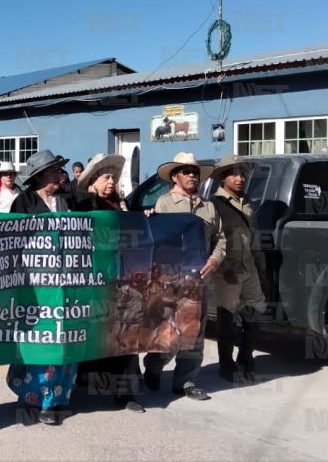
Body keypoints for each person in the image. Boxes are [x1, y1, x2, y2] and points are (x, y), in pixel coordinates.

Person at [143, 152, 225, 401]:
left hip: (199, 281)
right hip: (172, 281)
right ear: (175, 177)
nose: (192, 176)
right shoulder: (164, 204)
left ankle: (185, 381)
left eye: (195, 172)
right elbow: (156, 240)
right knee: (169, 330)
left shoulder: (209, 206)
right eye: (186, 172)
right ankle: (154, 366)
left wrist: (215, 259)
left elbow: (221, 239)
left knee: (195, 332)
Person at [7, 150, 77, 425]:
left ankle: (57, 399)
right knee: (41, 338)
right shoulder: (23, 201)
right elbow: (12, 240)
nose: (62, 175)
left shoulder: (68, 199)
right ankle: (34, 396)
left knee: (65, 338)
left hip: (68, 281)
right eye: (57, 170)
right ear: (43, 175)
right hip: (36, 284)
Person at [75, 153, 144, 412]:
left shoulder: (121, 205)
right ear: (92, 182)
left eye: (113, 178)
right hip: (95, 281)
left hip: (124, 278)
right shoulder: (83, 208)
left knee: (126, 335)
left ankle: (126, 393)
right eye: (106, 178)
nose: (111, 182)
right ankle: (87, 381)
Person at [209, 155, 267, 383]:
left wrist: (260, 268)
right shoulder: (215, 205)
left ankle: (246, 355)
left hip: (249, 267)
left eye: (242, 174)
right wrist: (222, 268)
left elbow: (255, 240)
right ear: (223, 178)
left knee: (255, 313)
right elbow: (213, 240)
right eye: (234, 174)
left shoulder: (247, 204)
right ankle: (226, 363)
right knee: (227, 318)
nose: (240, 178)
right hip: (228, 269)